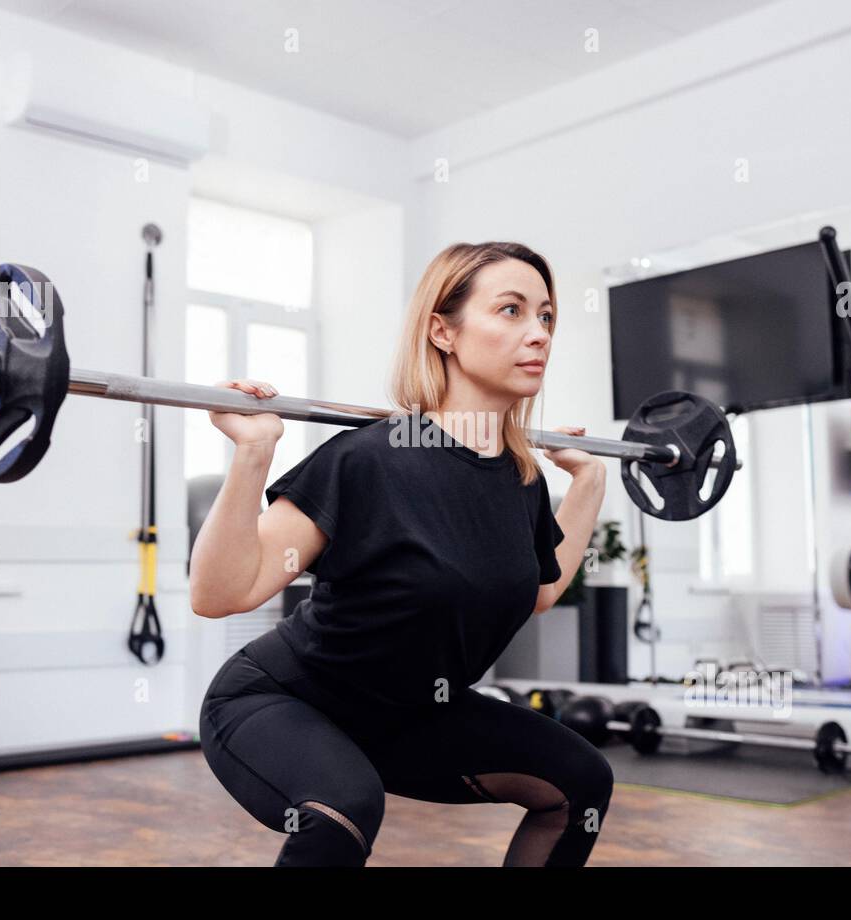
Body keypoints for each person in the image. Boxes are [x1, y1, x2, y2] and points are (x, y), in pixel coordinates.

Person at [191, 241, 613, 866]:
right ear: (443, 330)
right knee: (343, 809)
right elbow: (220, 594)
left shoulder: (521, 479)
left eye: (546, 317)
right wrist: (252, 452)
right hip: (283, 700)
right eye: (511, 311)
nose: (538, 334)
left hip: (412, 714)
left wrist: (589, 484)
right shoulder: (369, 459)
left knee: (579, 782)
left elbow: (541, 592)